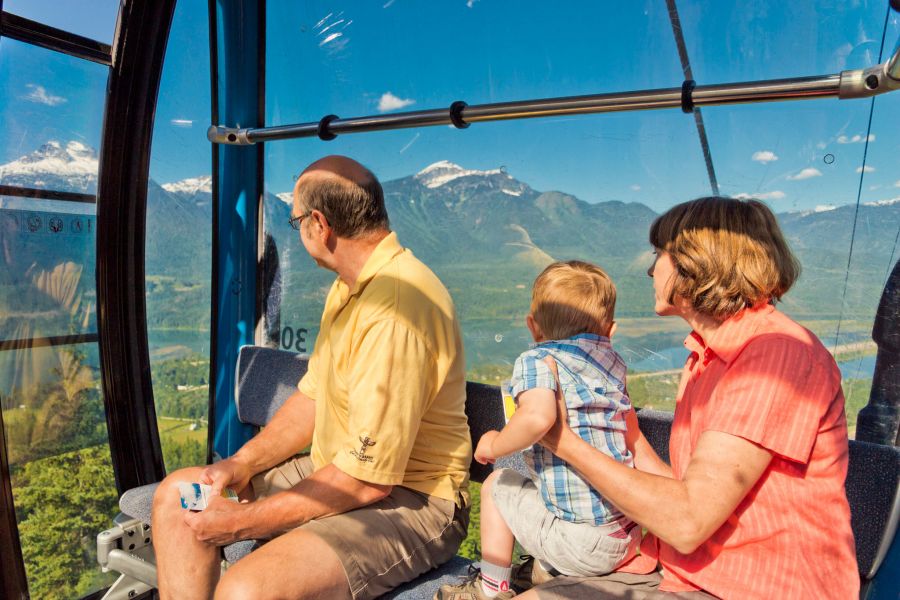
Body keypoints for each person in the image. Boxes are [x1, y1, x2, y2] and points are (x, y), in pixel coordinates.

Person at [151, 155, 472, 600]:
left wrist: (240, 522)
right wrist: (243, 464)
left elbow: (368, 481)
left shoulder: (395, 311)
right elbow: (312, 397)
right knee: (176, 497)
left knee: (246, 591)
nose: (298, 229)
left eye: (296, 219)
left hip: (412, 498)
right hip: (340, 471)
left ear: (319, 225)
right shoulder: (350, 286)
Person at [517, 196, 858, 599]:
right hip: (685, 571)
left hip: (752, 586)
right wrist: (629, 437)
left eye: (660, 254)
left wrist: (562, 442)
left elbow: (688, 521)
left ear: (696, 263)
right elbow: (689, 493)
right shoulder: (707, 356)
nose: (650, 269)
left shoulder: (776, 355)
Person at [437, 261, 640, 600]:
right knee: (542, 486)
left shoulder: (538, 360)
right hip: (625, 537)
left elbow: (537, 419)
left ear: (533, 327)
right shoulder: (613, 362)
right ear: (611, 330)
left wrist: (495, 444)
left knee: (496, 484)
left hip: (580, 543)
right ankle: (543, 571)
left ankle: (490, 589)